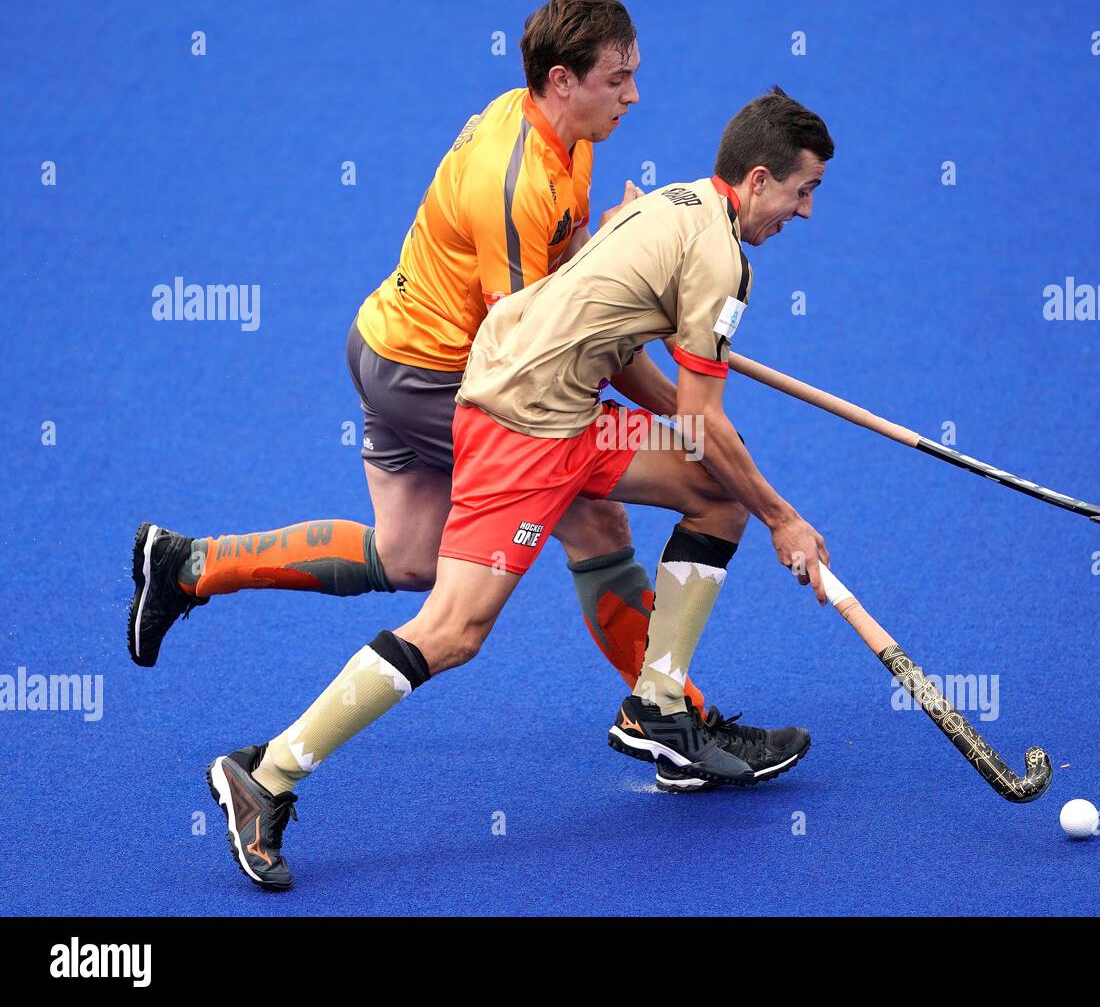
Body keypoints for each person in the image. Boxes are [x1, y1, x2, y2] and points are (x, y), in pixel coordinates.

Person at [128, 0, 800, 794]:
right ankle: (669, 716)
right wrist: (658, 340)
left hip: (385, 342)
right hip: (438, 372)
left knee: (410, 556)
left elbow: (571, 264)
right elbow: (532, 339)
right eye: (617, 78)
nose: (634, 94)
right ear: (562, 79)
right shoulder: (515, 184)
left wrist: (624, 263)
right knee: (589, 517)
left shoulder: (565, 135)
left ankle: (192, 565)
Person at [205, 87, 834, 889]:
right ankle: (265, 775)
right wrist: (786, 518)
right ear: (755, 180)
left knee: (716, 495)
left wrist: (738, 471)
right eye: (802, 190)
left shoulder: (675, 205)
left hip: (565, 411)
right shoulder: (722, 262)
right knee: (455, 631)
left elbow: (662, 394)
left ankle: (659, 706)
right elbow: (704, 420)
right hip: (526, 432)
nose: (806, 211)